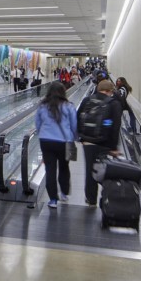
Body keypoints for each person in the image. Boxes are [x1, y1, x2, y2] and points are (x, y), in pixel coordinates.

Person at [77, 79, 123, 207]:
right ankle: (106, 198)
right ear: (109, 91)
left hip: (88, 143)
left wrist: (82, 138)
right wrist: (114, 147)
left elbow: (78, 117)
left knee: (90, 171)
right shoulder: (114, 103)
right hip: (106, 144)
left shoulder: (87, 100)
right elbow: (115, 127)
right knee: (106, 171)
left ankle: (91, 200)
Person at [35, 82, 77, 208]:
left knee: (50, 169)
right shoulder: (69, 106)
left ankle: (53, 199)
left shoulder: (42, 106)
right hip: (64, 141)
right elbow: (74, 125)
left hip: (46, 141)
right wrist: (75, 138)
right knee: (64, 167)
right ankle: (64, 193)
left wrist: (42, 133)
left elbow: (38, 124)